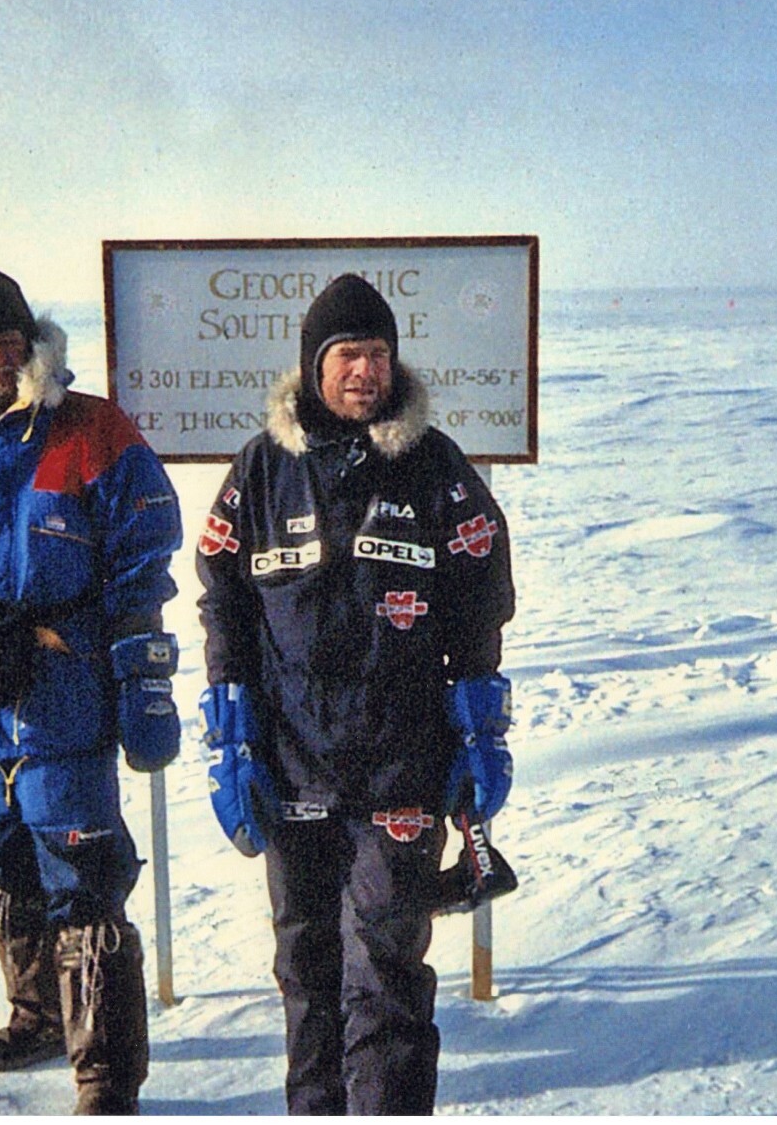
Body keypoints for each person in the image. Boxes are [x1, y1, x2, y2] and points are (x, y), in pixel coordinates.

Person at [195, 273, 516, 1115]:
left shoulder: (434, 466)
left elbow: (483, 595)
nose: (363, 371)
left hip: (402, 763)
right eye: (346, 356)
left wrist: (481, 727)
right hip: (292, 760)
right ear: (313, 366)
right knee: (306, 965)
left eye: (376, 354)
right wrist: (230, 732)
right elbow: (221, 595)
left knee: (385, 965)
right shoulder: (262, 470)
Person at [0, 262, 183, 1115]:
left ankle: (106, 1072)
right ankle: (36, 1018)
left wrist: (142, 684)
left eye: (4, 341)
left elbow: (142, 564)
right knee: (6, 864)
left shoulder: (92, 431)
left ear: (30, 343)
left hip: (64, 696)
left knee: (83, 877)